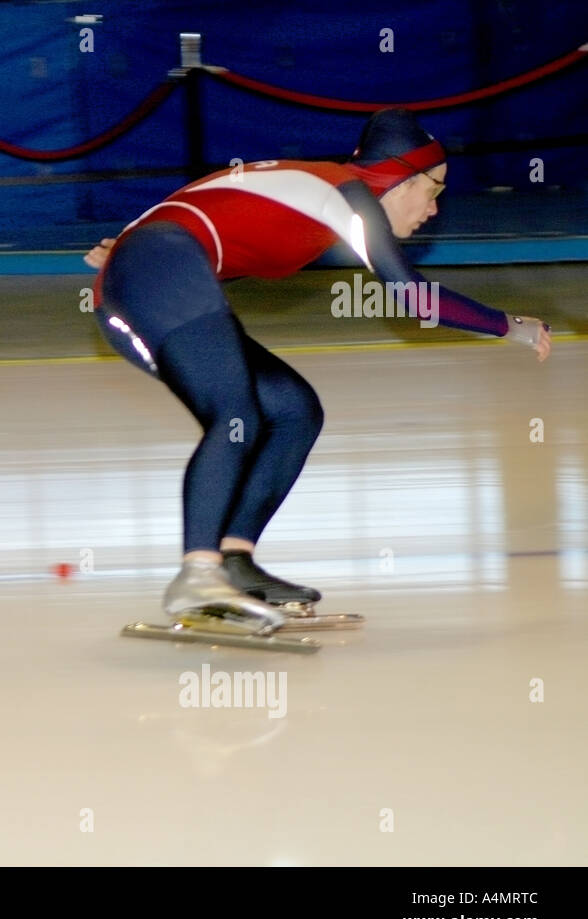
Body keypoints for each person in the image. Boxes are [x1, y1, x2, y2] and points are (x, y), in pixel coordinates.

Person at [85, 108, 551, 635]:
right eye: (433, 188)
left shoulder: (316, 189)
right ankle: (197, 573)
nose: (435, 207)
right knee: (234, 413)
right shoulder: (345, 192)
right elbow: (412, 295)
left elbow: (206, 198)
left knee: (291, 410)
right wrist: (511, 326)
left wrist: (128, 240)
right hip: (157, 269)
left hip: (153, 272)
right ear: (401, 176)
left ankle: (233, 560)